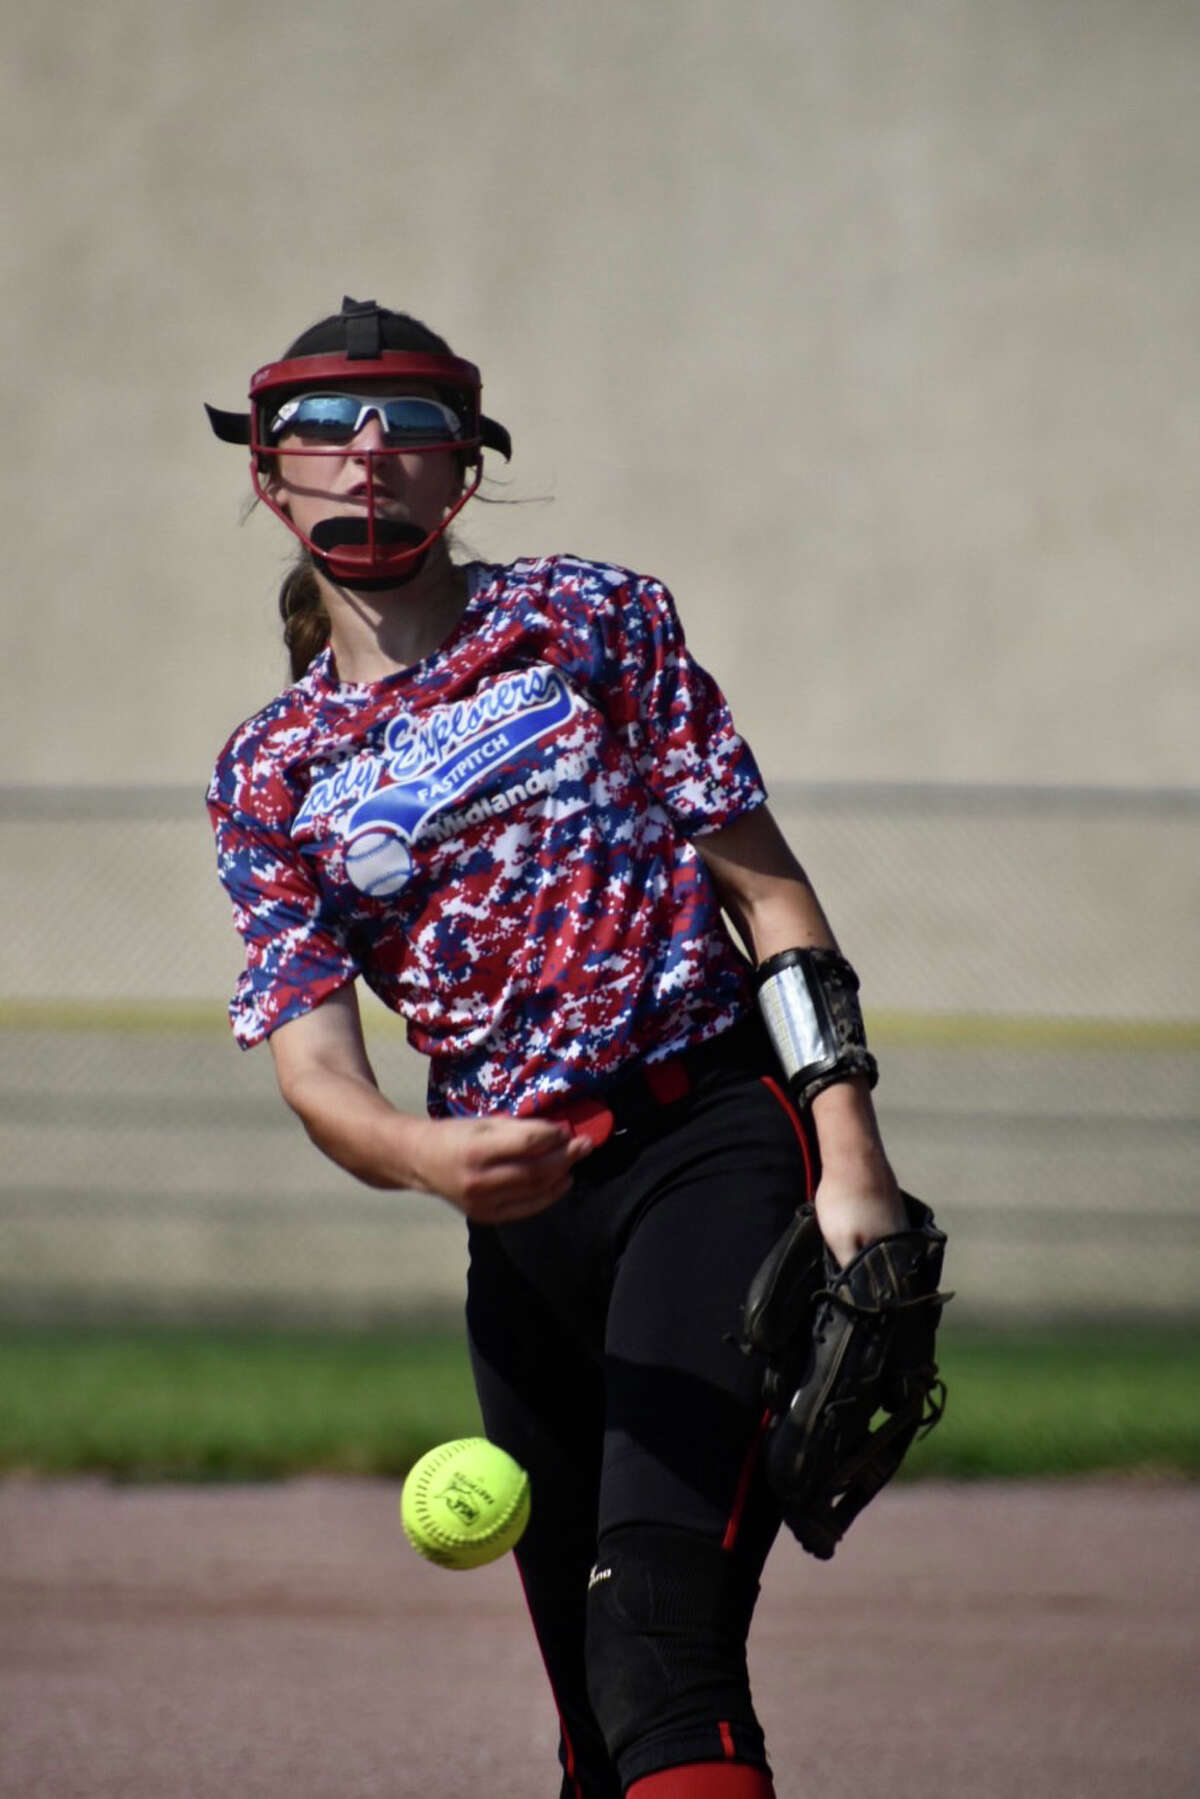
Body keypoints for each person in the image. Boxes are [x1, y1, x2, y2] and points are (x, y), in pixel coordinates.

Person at [205, 297, 910, 1799]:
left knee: (659, 1635)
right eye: (324, 429)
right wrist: (424, 1156)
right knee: (601, 1712)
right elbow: (317, 1067)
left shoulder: (592, 618)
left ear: (465, 470)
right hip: (520, 1215)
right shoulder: (269, 776)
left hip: (708, 1140)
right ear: (270, 478)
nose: (368, 454)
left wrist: (850, 1157)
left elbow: (771, 900)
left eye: (412, 423)